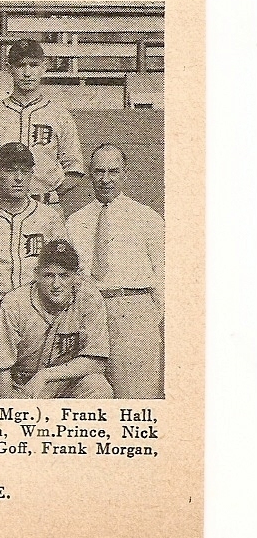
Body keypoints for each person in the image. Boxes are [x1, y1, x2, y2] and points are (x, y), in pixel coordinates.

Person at [66, 143, 164, 398]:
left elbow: (163, 275)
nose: (106, 179)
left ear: (125, 174)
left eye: (113, 172)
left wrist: (148, 318)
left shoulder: (147, 217)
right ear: (90, 173)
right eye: (99, 171)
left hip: (133, 312)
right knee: (94, 394)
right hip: (90, 315)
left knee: (136, 398)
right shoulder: (75, 221)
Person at [0, 142, 68, 327]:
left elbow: (67, 270)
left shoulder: (49, 218)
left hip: (36, 315)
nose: (18, 178)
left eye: (24, 171)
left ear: (32, 174)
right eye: (10, 170)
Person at [0, 239, 113, 399]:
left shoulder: (89, 298)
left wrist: (45, 375)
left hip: (63, 381)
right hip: (22, 385)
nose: (56, 284)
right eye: (49, 275)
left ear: (77, 276)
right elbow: (2, 367)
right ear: (36, 275)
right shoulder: (15, 302)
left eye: (64, 276)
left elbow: (96, 360)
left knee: (98, 387)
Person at [0, 39, 84, 212]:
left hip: (45, 203)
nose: (27, 73)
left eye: (34, 65)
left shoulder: (59, 115)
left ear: (44, 66)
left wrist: (52, 194)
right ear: (9, 68)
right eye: (21, 65)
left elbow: (74, 169)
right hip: (0, 206)